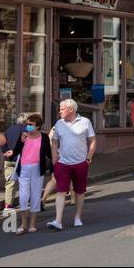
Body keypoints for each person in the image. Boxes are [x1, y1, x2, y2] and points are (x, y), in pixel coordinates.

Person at [48, 98, 96, 231]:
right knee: (60, 191)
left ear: (71, 109)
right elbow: (55, 142)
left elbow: (92, 141)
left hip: (81, 162)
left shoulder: (85, 122)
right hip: (62, 163)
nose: (59, 111)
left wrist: (88, 158)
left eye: (62, 109)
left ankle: (77, 218)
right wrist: (54, 158)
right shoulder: (59, 123)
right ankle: (58, 221)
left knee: (79, 191)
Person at [8, 113, 52, 234]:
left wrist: (54, 166)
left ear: (38, 126)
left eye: (31, 125)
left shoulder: (44, 137)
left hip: (37, 168)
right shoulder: (23, 136)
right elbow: (16, 151)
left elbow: (48, 152)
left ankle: (32, 224)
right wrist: (21, 141)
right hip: (24, 168)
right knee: (23, 195)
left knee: (35, 195)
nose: (28, 127)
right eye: (27, 124)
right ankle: (23, 224)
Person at [1, 111, 29, 221]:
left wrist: (6, 152)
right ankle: (24, 205)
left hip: (8, 160)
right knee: (24, 183)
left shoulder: (9, 130)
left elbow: (3, 143)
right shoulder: (26, 130)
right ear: (26, 122)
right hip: (21, 160)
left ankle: (8, 205)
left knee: (9, 183)